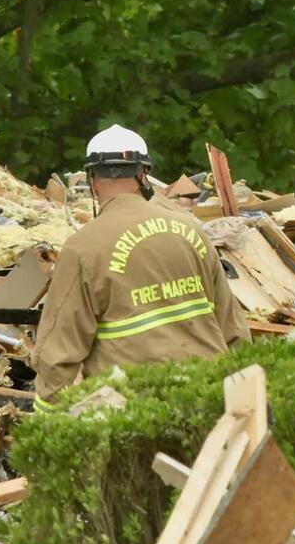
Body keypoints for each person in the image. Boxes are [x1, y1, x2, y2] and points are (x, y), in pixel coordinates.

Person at [32, 125, 250, 412]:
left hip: (134, 412)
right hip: (208, 399)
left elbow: (59, 352)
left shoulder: (81, 248)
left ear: (92, 180)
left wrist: (46, 420)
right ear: (143, 175)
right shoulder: (191, 231)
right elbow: (233, 330)